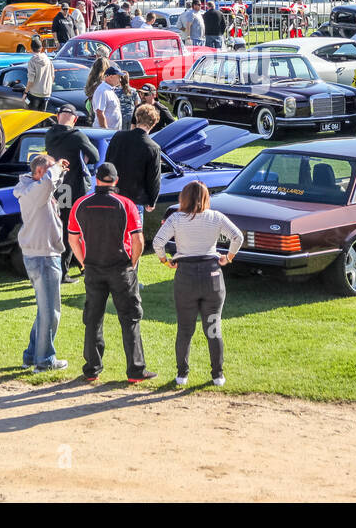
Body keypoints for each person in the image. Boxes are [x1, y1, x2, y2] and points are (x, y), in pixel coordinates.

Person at [68, 162, 155, 383]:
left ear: (97, 179)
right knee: (130, 319)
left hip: (93, 268)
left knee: (93, 318)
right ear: (116, 181)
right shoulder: (126, 204)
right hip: (121, 268)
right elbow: (138, 240)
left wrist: (84, 262)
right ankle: (135, 371)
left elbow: (73, 239)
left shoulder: (81, 204)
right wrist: (132, 264)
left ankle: (92, 369)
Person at [153, 180, 242, 387]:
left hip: (186, 276)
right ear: (206, 198)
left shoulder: (176, 218)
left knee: (185, 329)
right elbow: (237, 236)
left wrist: (165, 260)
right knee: (213, 328)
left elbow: (158, 242)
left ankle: (182, 375)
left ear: (183, 198)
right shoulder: (215, 217)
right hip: (212, 275)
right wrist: (228, 257)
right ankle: (217, 375)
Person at [14, 154, 70, 371]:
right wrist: (55, 168)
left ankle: (31, 355)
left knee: (44, 309)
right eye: (47, 171)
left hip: (40, 255)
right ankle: (45, 360)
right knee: (51, 312)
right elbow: (48, 182)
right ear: (38, 173)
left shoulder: (32, 189)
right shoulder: (35, 191)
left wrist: (58, 170)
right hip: (44, 257)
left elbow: (50, 183)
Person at [44, 103, 100, 283]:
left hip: (59, 186)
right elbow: (96, 156)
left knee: (63, 226)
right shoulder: (76, 135)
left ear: (58, 115)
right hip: (75, 187)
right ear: (74, 119)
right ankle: (66, 270)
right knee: (77, 228)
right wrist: (83, 157)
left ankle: (79, 265)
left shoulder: (50, 134)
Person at [105, 103, 162, 215]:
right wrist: (152, 201)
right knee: (133, 232)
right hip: (136, 200)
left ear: (137, 118)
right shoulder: (153, 147)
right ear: (154, 123)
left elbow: (107, 163)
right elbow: (154, 178)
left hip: (114, 196)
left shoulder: (118, 137)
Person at [24, 37, 54, 111]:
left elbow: (31, 80)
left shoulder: (32, 61)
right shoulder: (48, 60)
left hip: (35, 94)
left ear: (31, 48)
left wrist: (25, 92)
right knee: (41, 118)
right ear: (41, 48)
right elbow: (52, 76)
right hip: (46, 93)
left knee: (33, 118)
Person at [93, 65, 123, 130]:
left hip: (112, 132)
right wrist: (106, 131)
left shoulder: (109, 89)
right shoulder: (102, 91)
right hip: (104, 133)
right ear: (111, 77)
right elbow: (100, 113)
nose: (120, 80)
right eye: (118, 77)